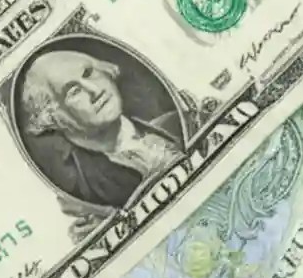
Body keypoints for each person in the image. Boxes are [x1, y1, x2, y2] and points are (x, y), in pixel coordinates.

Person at [21, 49, 183, 208]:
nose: (95, 90)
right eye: (74, 91)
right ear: (53, 118)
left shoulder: (177, 123)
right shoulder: (87, 195)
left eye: (88, 73)